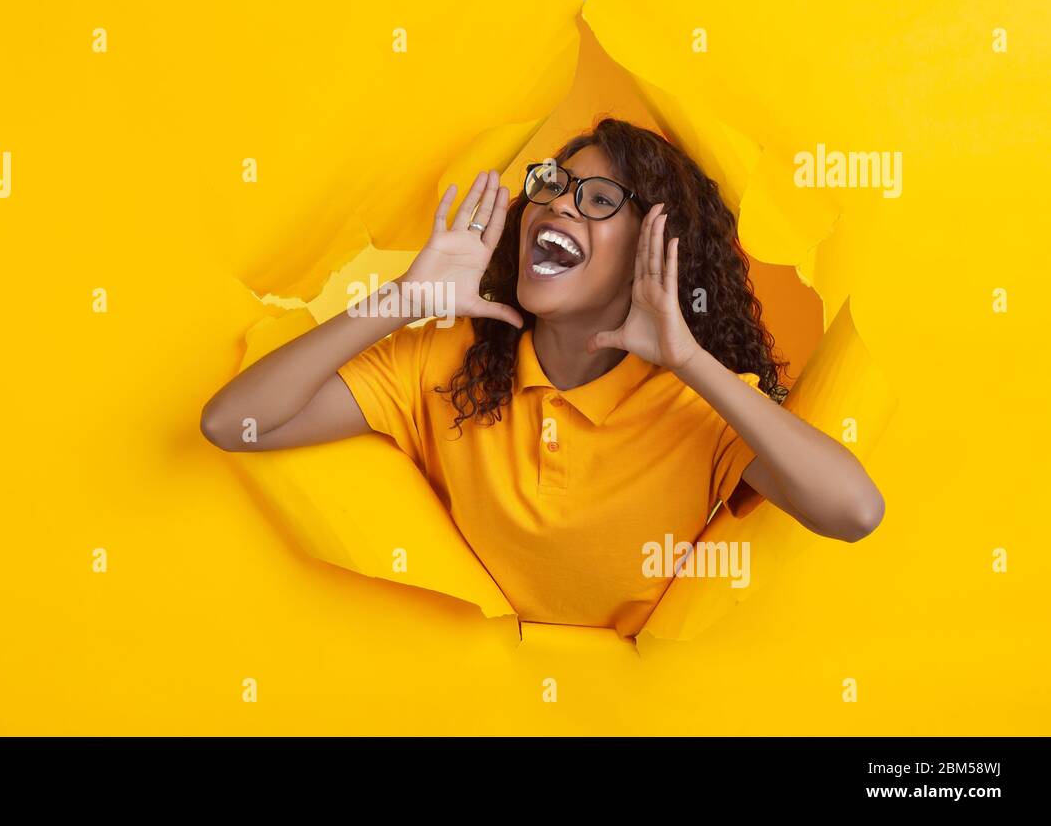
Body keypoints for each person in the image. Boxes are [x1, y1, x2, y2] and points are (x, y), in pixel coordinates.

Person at [201, 117, 884, 636]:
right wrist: (403, 300)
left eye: (597, 200)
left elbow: (855, 512)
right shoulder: (448, 363)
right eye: (551, 186)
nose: (557, 204)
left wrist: (691, 362)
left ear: (656, 249)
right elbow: (233, 423)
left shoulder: (694, 404)